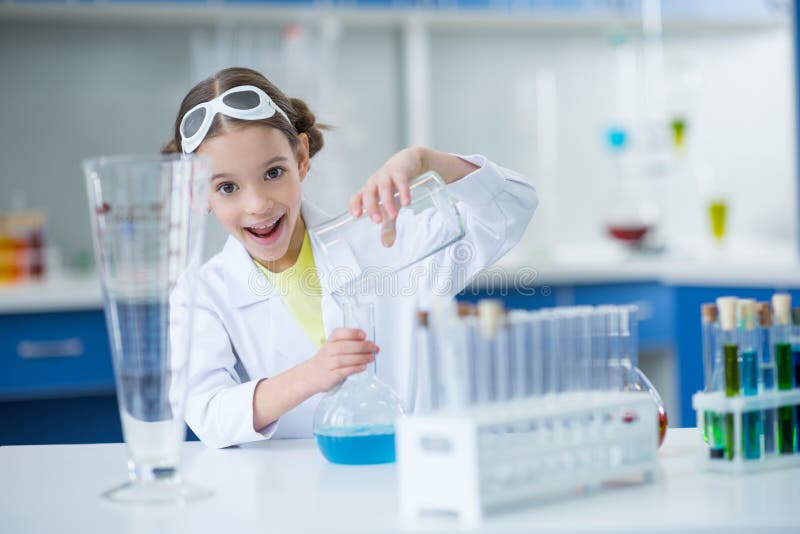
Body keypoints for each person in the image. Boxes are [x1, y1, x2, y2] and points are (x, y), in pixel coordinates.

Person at [165, 67, 537, 448]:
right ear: (195, 192)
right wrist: (313, 374)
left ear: (302, 158)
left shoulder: (385, 241)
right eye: (227, 187)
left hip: (407, 478)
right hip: (288, 499)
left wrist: (428, 162)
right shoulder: (202, 293)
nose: (258, 204)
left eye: (273, 172)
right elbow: (208, 413)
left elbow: (508, 212)